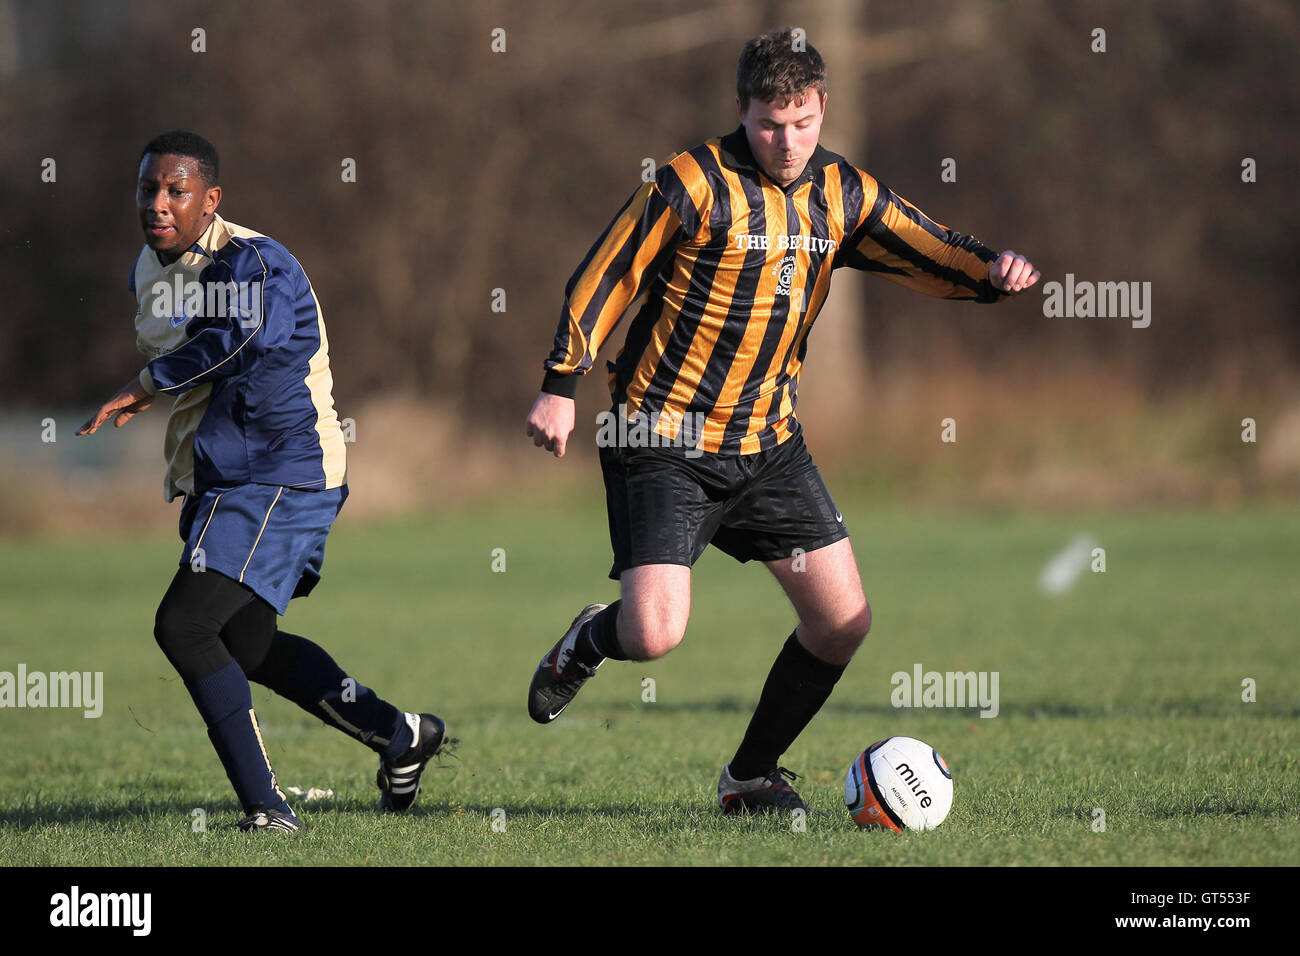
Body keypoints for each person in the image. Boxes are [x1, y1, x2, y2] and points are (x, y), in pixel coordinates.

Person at [524, 30, 1039, 814]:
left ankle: (750, 776)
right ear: (742, 110)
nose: (787, 141)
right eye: (769, 123)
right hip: (662, 439)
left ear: (822, 108)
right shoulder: (688, 183)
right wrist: (562, 383)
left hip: (768, 446)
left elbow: (926, 248)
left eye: (802, 122)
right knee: (655, 635)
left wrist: (993, 272)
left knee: (842, 623)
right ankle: (591, 639)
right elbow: (606, 273)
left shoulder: (844, 192)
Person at [78, 130, 448, 831]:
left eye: (176, 191)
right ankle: (402, 737)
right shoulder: (149, 270)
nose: (158, 204)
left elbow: (240, 341)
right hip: (224, 479)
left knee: (183, 626)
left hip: (285, 469)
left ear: (210, 199)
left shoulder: (254, 263)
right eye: (147, 189)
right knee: (245, 644)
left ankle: (268, 811)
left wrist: (146, 383)